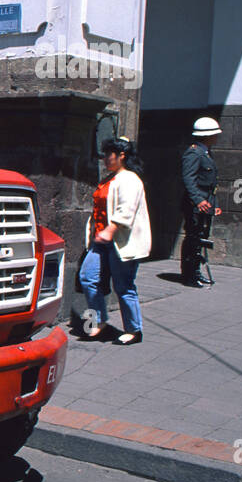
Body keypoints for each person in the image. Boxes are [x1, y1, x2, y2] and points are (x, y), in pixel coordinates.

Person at [78, 137, 152, 345]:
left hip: (121, 241)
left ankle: (134, 330)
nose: (105, 159)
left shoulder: (129, 179)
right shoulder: (110, 179)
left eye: (109, 154)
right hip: (101, 240)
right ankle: (100, 320)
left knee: (124, 285)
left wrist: (110, 229)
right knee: (87, 277)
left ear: (122, 156)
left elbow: (125, 211)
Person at [180, 115, 221, 287]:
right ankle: (189, 275)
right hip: (196, 204)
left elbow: (211, 183)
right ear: (207, 135)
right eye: (214, 134)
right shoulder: (194, 152)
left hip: (206, 202)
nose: (217, 137)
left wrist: (215, 204)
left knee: (201, 238)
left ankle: (196, 271)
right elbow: (188, 178)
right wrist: (198, 200)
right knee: (193, 238)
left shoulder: (205, 152)